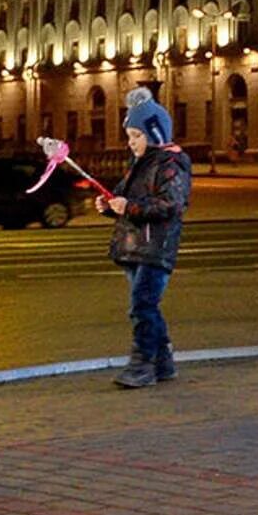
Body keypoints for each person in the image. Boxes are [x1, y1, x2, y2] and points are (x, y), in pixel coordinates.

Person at [106, 87, 193, 389]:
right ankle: (163, 360)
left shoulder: (170, 165)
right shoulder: (139, 165)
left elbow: (171, 204)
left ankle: (142, 363)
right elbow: (123, 195)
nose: (131, 143)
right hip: (135, 245)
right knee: (147, 305)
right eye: (129, 136)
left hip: (156, 248)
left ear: (155, 134)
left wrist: (128, 206)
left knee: (142, 305)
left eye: (137, 136)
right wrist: (110, 204)